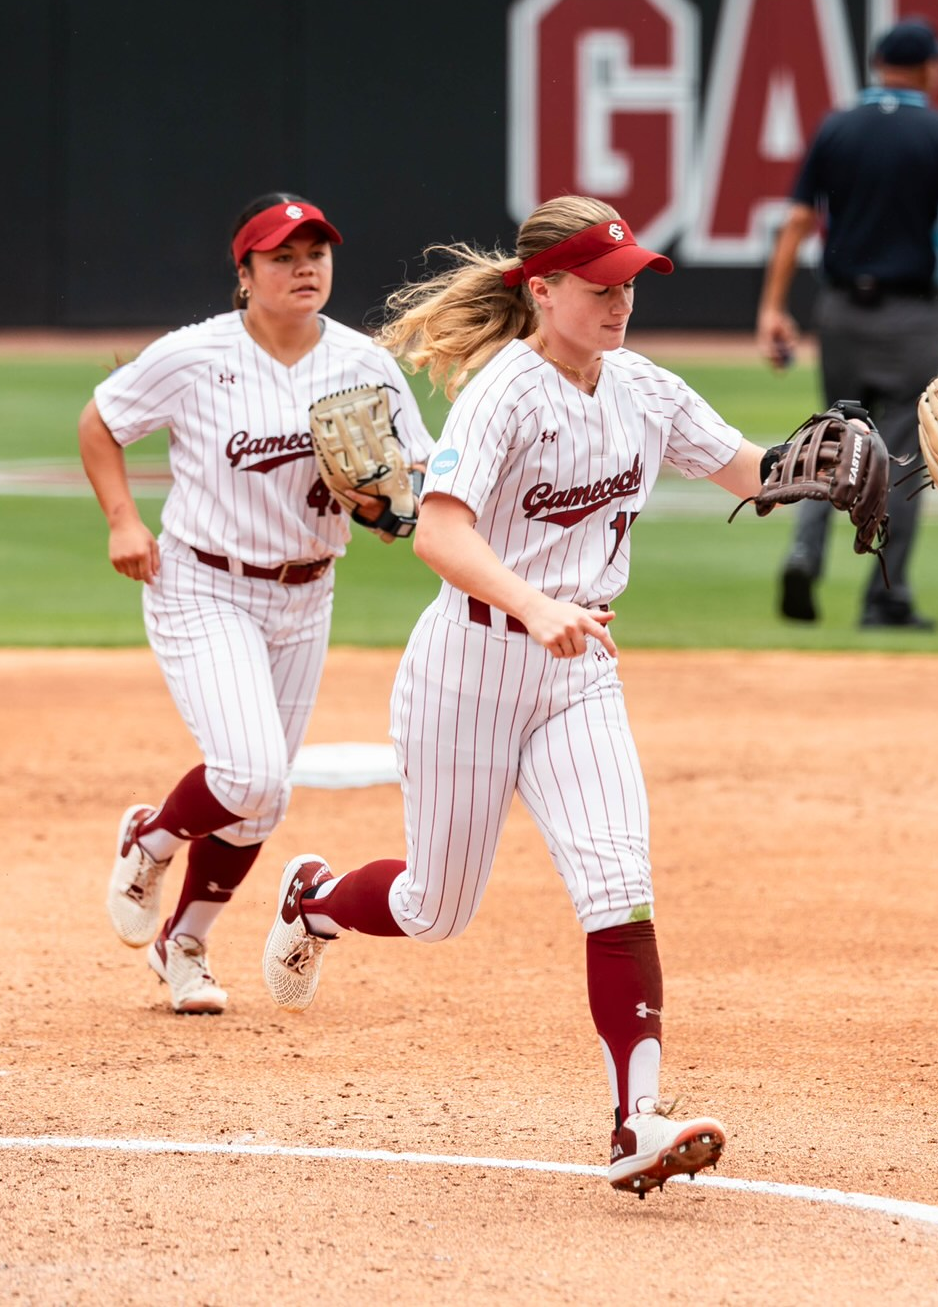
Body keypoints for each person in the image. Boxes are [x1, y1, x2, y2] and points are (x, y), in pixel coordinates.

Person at [258, 195, 837, 1197]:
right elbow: (439, 533)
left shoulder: (643, 387)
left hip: (579, 672)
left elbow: (748, 469)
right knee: (433, 908)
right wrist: (531, 603)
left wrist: (827, 467)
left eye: (628, 284)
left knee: (618, 883)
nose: (620, 301)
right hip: (471, 667)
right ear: (543, 290)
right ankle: (313, 902)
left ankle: (636, 1121)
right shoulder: (503, 394)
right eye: (600, 286)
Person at [80, 192, 432, 1014]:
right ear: (245, 275)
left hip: (307, 593)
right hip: (202, 583)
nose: (305, 267)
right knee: (248, 770)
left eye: (316, 252)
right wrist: (123, 519)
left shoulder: (363, 363)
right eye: (282, 256)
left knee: (264, 795)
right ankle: (151, 840)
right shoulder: (196, 355)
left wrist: (386, 509)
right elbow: (101, 421)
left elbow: (407, 481)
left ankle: (185, 944)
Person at [755, 16, 938, 630]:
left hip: (840, 310)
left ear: (877, 65)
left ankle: (803, 556)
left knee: (828, 440)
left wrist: (771, 306)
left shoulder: (836, 128)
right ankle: (884, 595)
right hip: (911, 314)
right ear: (928, 68)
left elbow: (795, 222)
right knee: (900, 453)